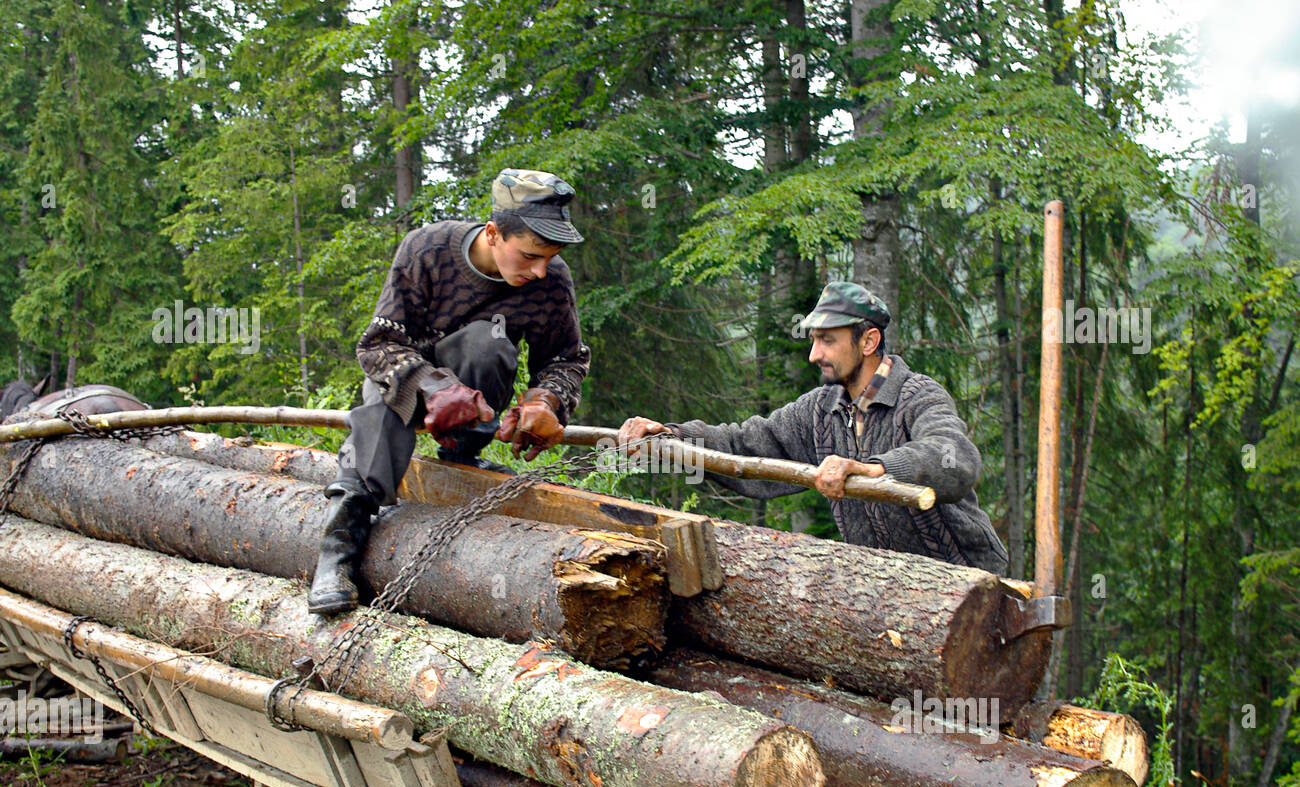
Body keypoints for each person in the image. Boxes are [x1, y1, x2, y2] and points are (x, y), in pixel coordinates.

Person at [308, 169, 590, 614]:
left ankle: (463, 454)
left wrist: (545, 401)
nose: (539, 270)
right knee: (380, 416)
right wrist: (434, 386)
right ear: (494, 233)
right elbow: (378, 344)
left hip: (475, 400)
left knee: (487, 344)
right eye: (530, 256)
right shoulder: (427, 249)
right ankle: (337, 551)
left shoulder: (551, 280)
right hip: (406, 384)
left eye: (548, 258)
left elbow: (565, 358)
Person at [617, 281, 1009, 574]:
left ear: (869, 340)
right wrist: (674, 436)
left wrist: (875, 468)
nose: (813, 354)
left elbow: (956, 458)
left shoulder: (918, 396)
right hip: (894, 588)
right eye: (813, 340)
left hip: (969, 580)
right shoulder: (820, 409)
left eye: (826, 340)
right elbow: (745, 445)